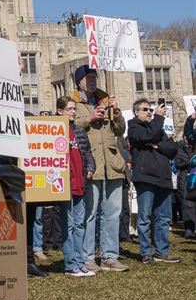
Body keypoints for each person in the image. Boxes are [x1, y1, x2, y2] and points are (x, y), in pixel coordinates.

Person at [70, 66, 128, 272]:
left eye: (94, 77)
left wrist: (117, 113)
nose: (93, 80)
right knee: (90, 213)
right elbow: (70, 126)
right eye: (88, 77)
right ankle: (87, 257)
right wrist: (89, 119)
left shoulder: (105, 99)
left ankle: (110, 256)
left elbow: (120, 130)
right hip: (91, 164)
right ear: (79, 82)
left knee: (112, 212)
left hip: (112, 164)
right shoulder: (74, 103)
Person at [127, 98, 181, 263]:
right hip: (146, 178)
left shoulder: (158, 129)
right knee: (145, 217)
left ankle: (161, 251)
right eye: (145, 109)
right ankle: (146, 252)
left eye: (151, 109)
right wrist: (158, 118)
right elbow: (146, 136)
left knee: (163, 217)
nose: (150, 112)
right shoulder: (134, 127)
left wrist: (158, 145)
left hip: (163, 178)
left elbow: (173, 149)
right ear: (136, 112)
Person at [57, 96, 96, 277]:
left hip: (80, 183)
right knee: (70, 224)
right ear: (60, 111)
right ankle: (70, 263)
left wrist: (89, 168)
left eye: (74, 109)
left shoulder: (79, 131)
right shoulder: (54, 130)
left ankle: (80, 262)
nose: (73, 112)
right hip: (65, 184)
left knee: (80, 224)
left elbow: (87, 152)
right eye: (69, 109)